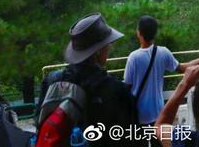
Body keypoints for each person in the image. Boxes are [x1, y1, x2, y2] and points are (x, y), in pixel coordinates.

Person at [37, 12, 140, 146]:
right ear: (97, 51)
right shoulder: (117, 91)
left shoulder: (51, 82)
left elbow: (39, 124)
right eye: (107, 44)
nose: (109, 47)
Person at [124, 16, 199, 125]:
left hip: (139, 115)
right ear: (155, 33)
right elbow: (181, 68)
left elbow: (127, 86)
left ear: (139, 33)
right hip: (159, 113)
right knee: (158, 140)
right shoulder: (163, 52)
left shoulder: (133, 57)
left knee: (140, 141)